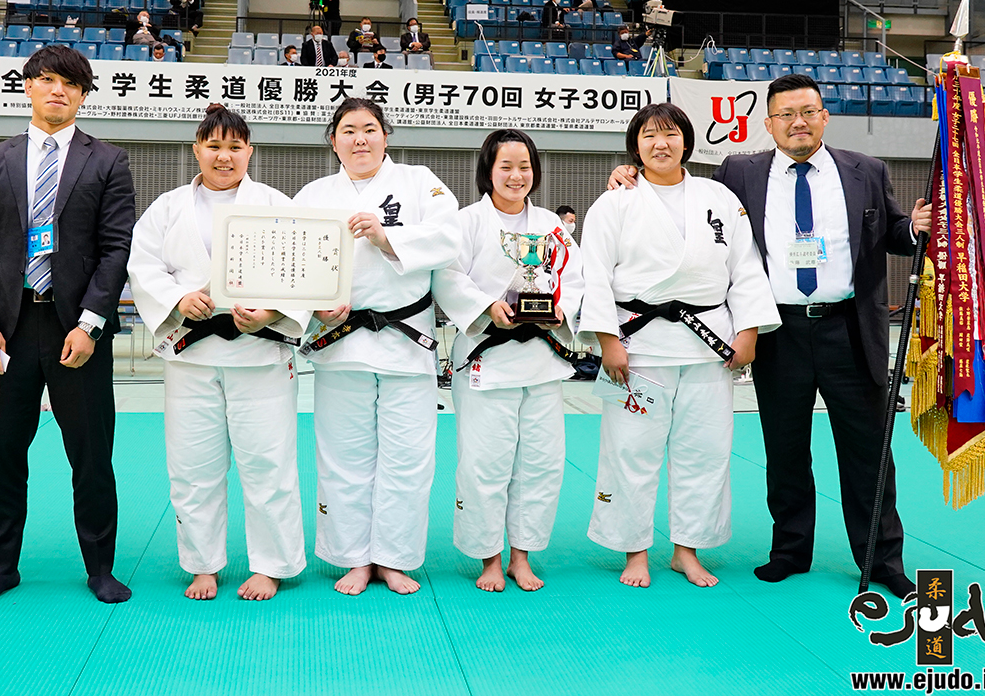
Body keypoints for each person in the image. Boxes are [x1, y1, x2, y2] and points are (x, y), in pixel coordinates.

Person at [605, 74, 932, 599]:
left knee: (869, 451)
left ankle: (881, 559)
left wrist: (913, 227)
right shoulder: (740, 172)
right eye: (785, 114)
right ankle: (791, 551)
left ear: (824, 116)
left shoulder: (866, 170)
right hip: (780, 330)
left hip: (850, 327)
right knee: (785, 449)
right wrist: (630, 174)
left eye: (807, 112)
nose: (797, 122)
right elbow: (684, 195)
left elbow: (891, 232)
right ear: (769, 123)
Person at [0, 45, 136, 606]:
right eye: (49, 80)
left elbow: (116, 248)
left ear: (83, 96)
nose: (59, 91)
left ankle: (100, 568)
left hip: (76, 330)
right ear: (27, 85)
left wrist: (91, 323)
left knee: (91, 454)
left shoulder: (109, 160)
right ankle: (1, 568)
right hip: (7, 330)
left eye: (71, 84)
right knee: (2, 453)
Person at [582, 102, 780, 589]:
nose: (661, 144)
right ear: (635, 146)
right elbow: (595, 274)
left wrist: (748, 331)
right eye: (649, 135)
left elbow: (745, 267)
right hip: (638, 344)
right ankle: (635, 551)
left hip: (708, 346)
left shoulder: (718, 196)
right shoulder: (614, 202)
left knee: (704, 451)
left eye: (670, 134)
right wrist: (607, 340)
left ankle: (686, 550)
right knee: (631, 450)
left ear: (686, 142)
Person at [127, 104, 309, 602]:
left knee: (268, 463)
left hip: (259, 354)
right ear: (196, 150)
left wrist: (272, 312)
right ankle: (202, 564)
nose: (224, 156)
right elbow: (143, 266)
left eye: (234, 147)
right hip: (191, 353)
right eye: (214, 146)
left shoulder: (274, 203)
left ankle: (272, 565)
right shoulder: (168, 207)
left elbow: (302, 270)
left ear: (250, 151)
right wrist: (177, 299)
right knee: (193, 466)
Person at [293, 99, 460, 595]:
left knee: (408, 455)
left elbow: (448, 238)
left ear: (386, 136)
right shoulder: (313, 195)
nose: (360, 139)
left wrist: (388, 239)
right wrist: (316, 306)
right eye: (348, 130)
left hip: (407, 341)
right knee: (343, 455)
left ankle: (393, 557)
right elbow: (294, 263)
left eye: (369, 129)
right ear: (333, 141)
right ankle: (354, 558)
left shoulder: (420, 182)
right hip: (341, 343)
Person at [432, 129, 583, 593]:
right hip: (487, 359)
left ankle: (522, 556)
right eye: (506, 167)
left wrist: (562, 309)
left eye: (525, 167)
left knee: (541, 462)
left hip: (541, 358)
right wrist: (486, 306)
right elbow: (447, 277)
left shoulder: (551, 225)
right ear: (488, 171)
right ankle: (489, 558)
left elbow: (576, 277)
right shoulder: (466, 222)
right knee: (485, 464)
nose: (517, 176)